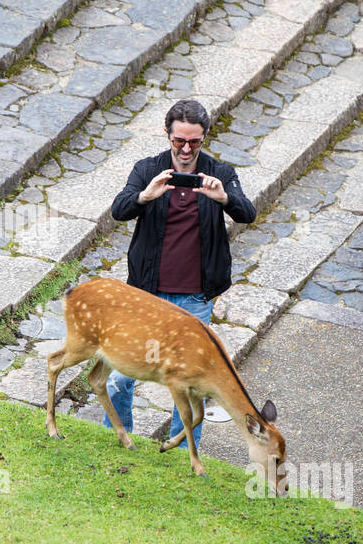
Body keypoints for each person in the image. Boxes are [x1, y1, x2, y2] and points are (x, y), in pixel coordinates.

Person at [104, 98, 256, 447]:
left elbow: (248, 213)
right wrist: (145, 196)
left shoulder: (221, 172)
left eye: (195, 142)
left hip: (194, 299)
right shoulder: (147, 168)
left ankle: (183, 449)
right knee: (122, 374)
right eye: (179, 141)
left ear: (204, 138)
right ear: (167, 134)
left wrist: (224, 200)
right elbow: (118, 210)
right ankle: (114, 436)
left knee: (189, 382)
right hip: (147, 295)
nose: (186, 149)